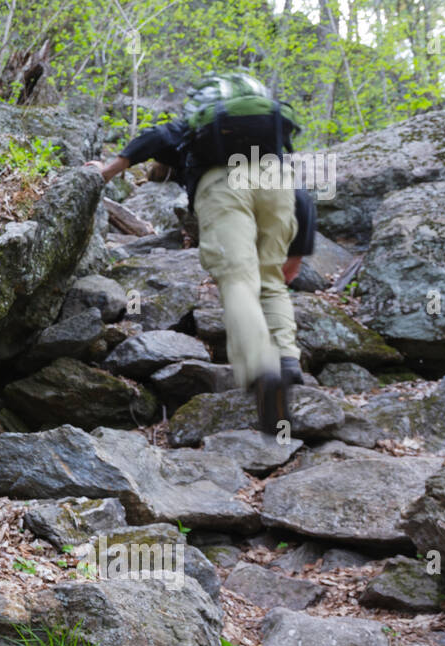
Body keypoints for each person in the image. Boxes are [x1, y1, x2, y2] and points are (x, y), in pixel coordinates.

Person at [84, 76, 307, 435]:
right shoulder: (269, 133)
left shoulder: (195, 128)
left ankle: (263, 369)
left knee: (237, 280)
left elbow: (153, 139)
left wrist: (107, 171)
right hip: (276, 185)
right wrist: (297, 252)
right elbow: (302, 192)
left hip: (223, 188)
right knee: (271, 281)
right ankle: (285, 358)